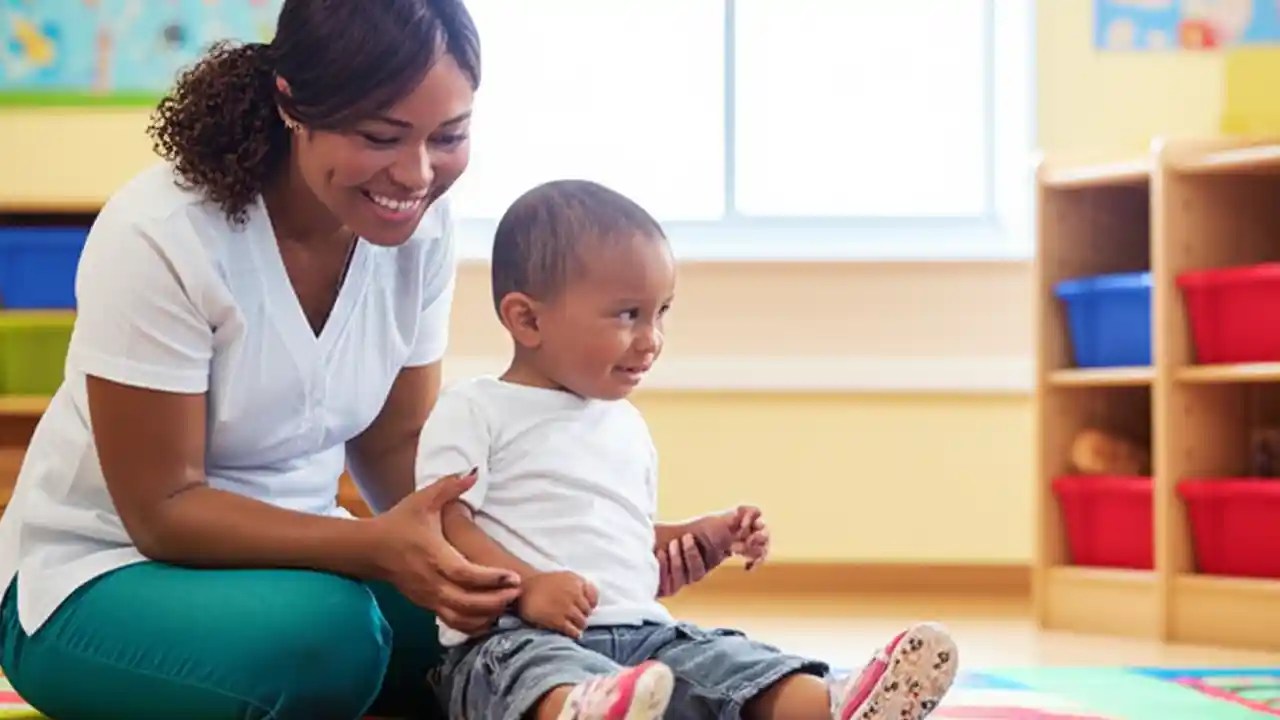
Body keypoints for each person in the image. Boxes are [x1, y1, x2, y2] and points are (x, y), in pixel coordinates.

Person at [0, 3, 718, 719]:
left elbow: (402, 448)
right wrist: (374, 547)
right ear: (293, 104)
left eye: (450, 136)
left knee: (527, 628)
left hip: (308, 565)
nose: (416, 174)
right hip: (99, 576)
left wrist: (572, 551)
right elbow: (164, 510)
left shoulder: (424, 231)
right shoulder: (164, 234)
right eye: (382, 136)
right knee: (332, 640)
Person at [414, 179, 961, 720]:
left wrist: (698, 537)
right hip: (513, 636)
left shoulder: (625, 426)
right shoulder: (476, 409)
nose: (652, 338)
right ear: (528, 319)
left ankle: (834, 705)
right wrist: (526, 588)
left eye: (661, 313)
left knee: (720, 662)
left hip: (644, 637)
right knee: (533, 672)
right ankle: (582, 710)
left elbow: (614, 537)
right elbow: (444, 524)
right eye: (628, 314)